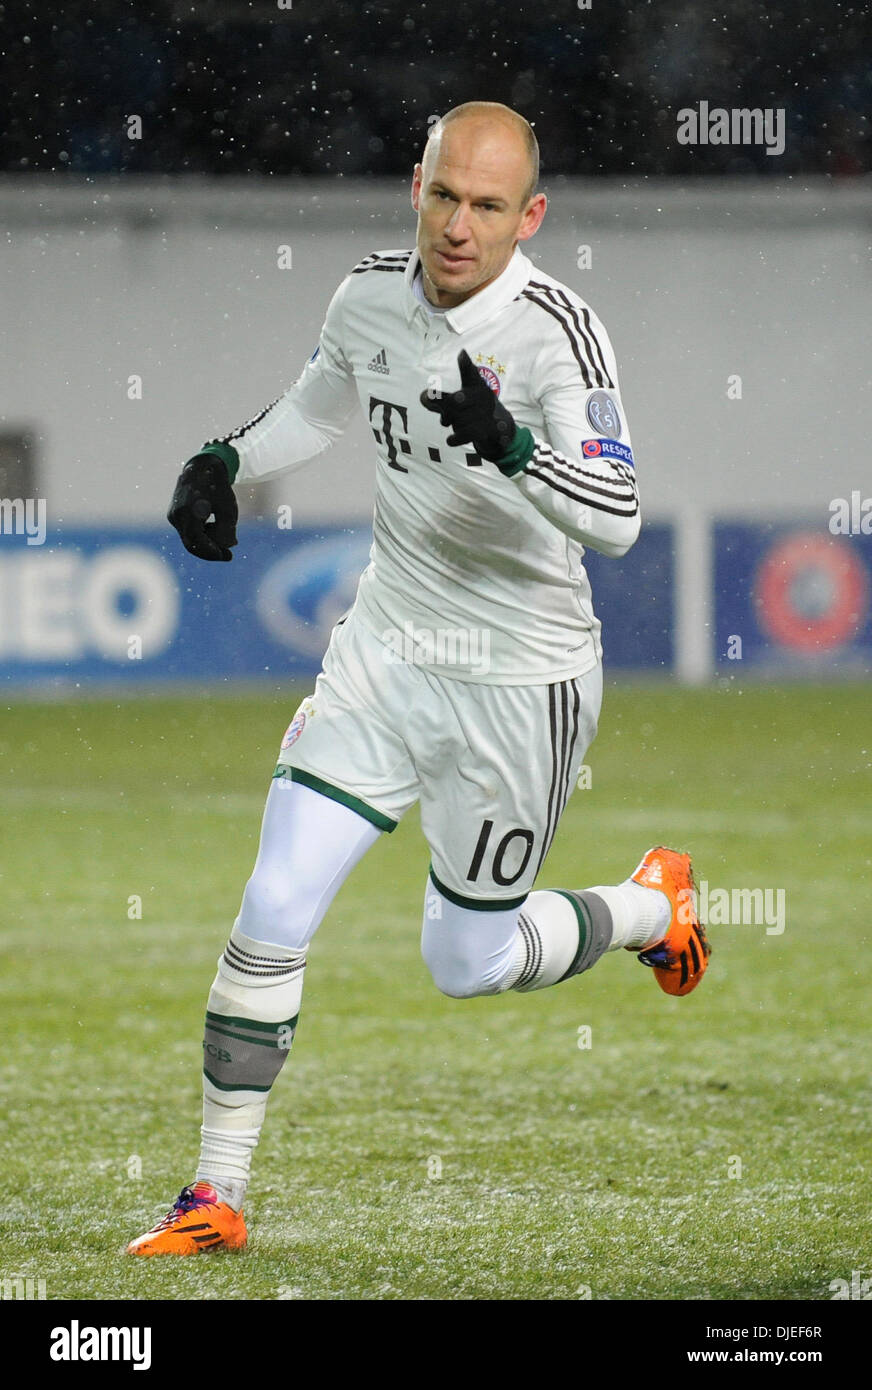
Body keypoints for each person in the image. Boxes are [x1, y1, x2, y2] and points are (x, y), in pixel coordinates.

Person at [127, 100, 710, 1257]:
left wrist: (514, 445)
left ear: (527, 217)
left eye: (488, 206)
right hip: (384, 652)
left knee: (468, 962)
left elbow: (618, 521)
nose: (458, 224)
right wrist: (224, 458)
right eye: (444, 194)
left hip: (517, 684)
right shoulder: (367, 294)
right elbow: (317, 407)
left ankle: (653, 906)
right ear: (416, 186)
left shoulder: (557, 334)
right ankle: (214, 1193)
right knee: (272, 906)